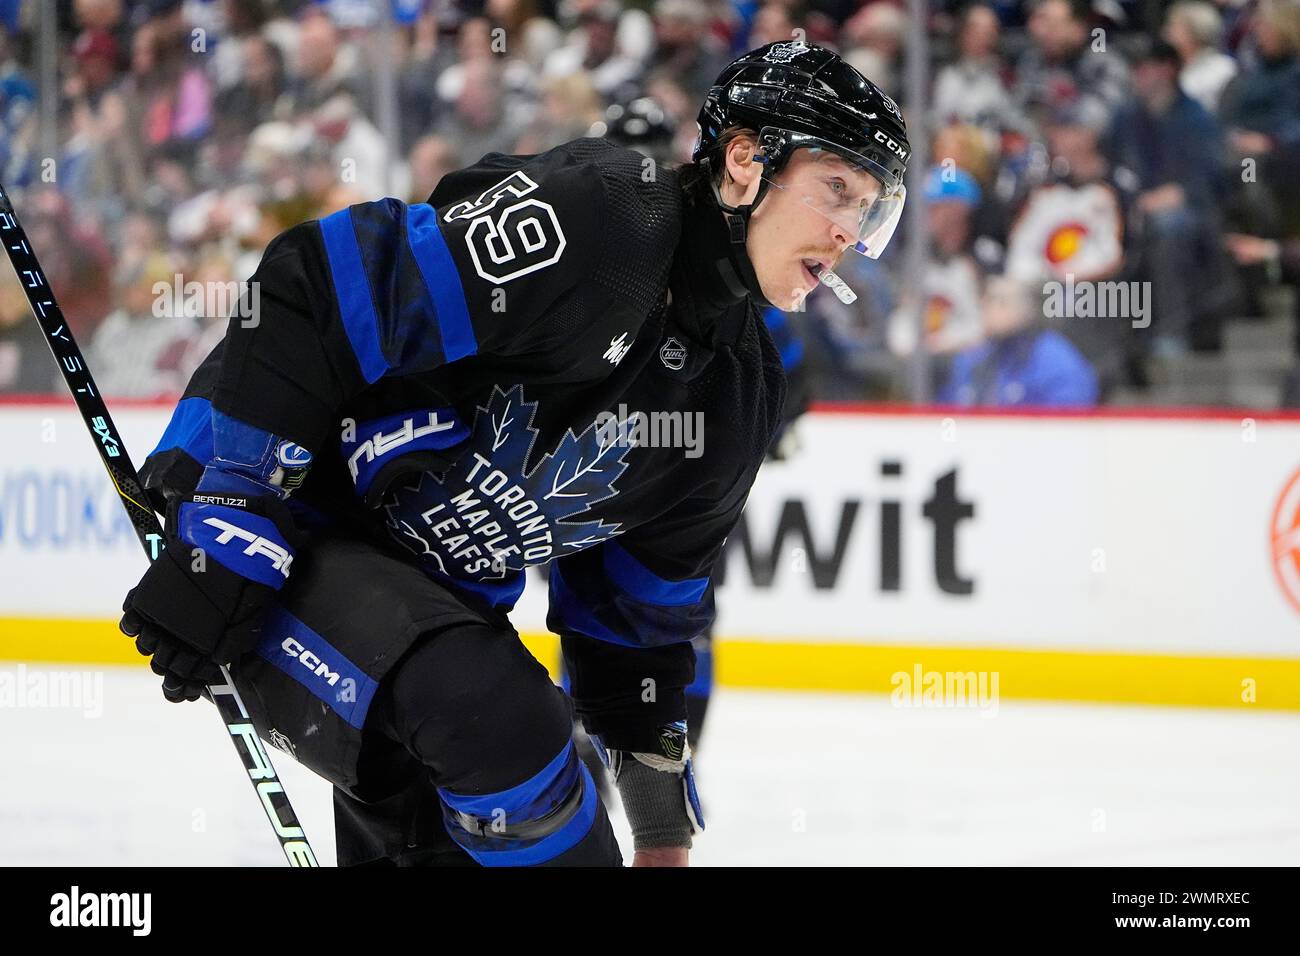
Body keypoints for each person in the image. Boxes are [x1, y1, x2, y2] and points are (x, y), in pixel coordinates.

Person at [118, 40, 911, 868]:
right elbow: (318, 286)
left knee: (526, 790)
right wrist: (234, 507)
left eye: (867, 209)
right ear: (746, 161)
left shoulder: (738, 394)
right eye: (836, 189)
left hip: (427, 601)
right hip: (273, 514)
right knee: (502, 723)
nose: (848, 231)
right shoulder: (603, 220)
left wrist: (661, 836)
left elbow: (634, 631)